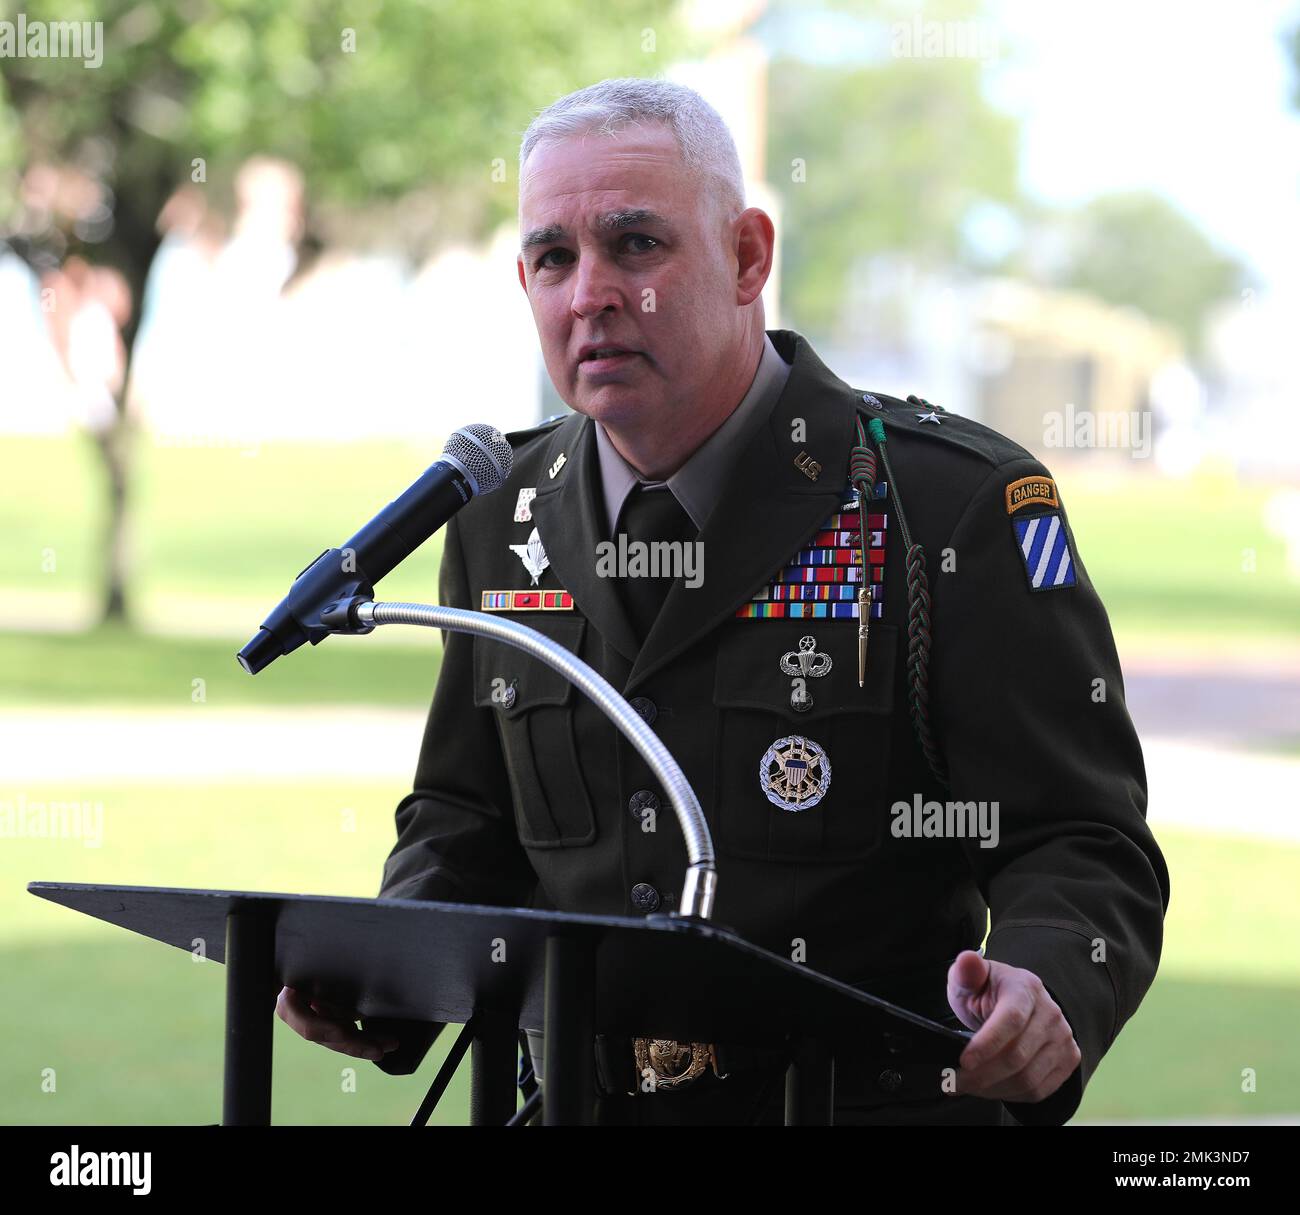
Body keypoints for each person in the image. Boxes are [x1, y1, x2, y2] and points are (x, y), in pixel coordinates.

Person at [278, 77, 1169, 1127]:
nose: (591, 293)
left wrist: (1044, 981)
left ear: (748, 257)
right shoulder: (497, 515)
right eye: (554, 258)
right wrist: (396, 969)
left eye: (637, 246)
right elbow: (466, 819)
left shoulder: (943, 505)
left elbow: (1079, 835)